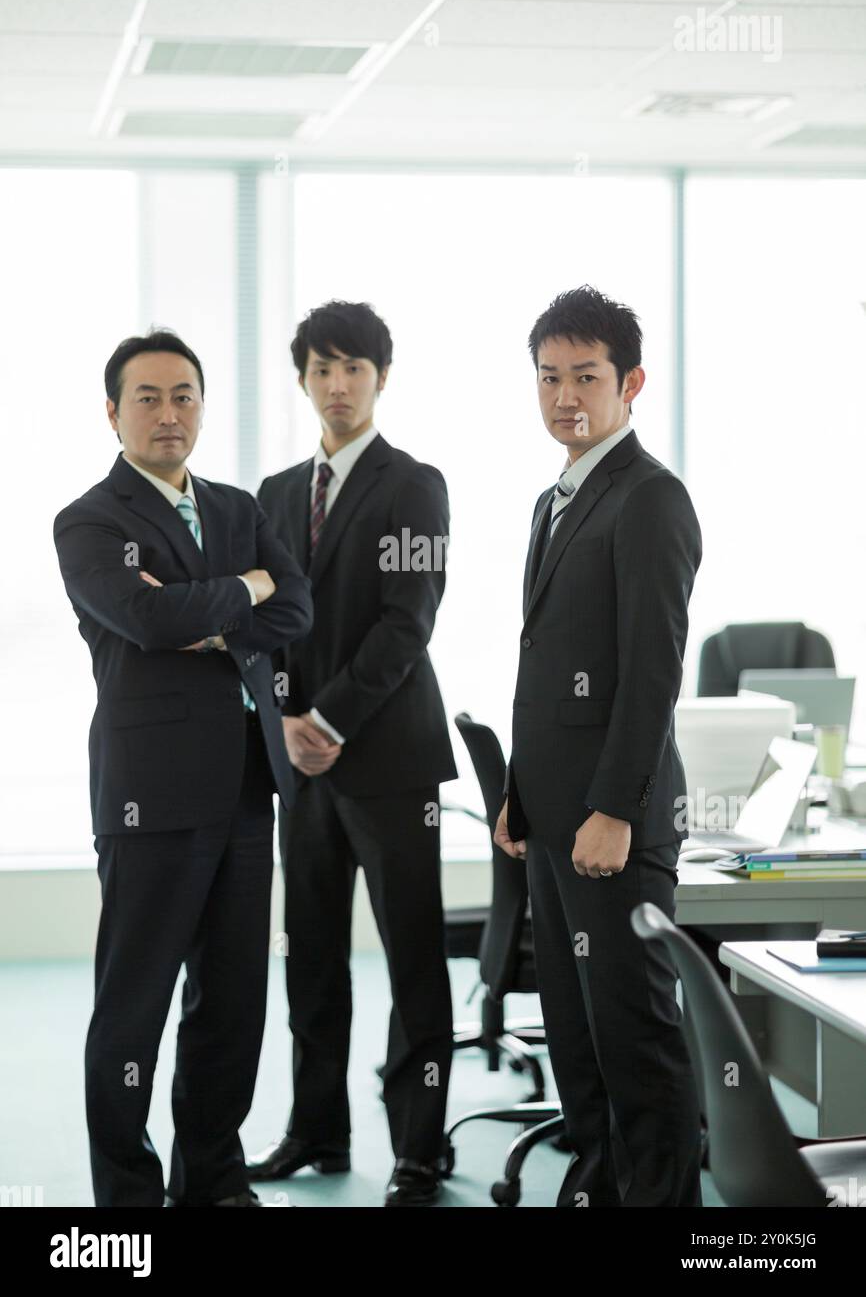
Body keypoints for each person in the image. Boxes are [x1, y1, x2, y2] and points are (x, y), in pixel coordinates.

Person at [53, 328, 313, 1207]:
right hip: (151, 793)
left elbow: (299, 608)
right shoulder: (90, 520)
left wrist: (208, 608)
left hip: (246, 783)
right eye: (149, 398)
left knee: (232, 1000)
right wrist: (246, 592)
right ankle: (127, 1195)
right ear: (114, 412)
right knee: (136, 1001)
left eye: (185, 396)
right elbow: (148, 622)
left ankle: (215, 1178)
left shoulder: (239, 507)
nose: (170, 414)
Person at [494, 286, 704, 1207]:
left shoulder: (651, 499)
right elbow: (544, 660)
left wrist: (615, 807)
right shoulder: (555, 497)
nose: (563, 395)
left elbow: (652, 671)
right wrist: (518, 792)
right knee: (575, 1036)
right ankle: (600, 1192)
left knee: (632, 1036)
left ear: (632, 383)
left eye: (585, 376)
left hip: (614, 821)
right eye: (548, 376)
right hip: (553, 817)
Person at [249, 300, 456, 1207]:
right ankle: (317, 1130)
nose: (338, 385)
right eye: (323, 368)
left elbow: (406, 624)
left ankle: (420, 1147)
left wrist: (325, 720)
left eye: (355, 369)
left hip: (389, 759)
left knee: (412, 956)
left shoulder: (417, 485)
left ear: (381, 378)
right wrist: (286, 720)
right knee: (312, 955)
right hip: (300, 767)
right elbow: (264, 626)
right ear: (302, 378)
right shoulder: (274, 494)